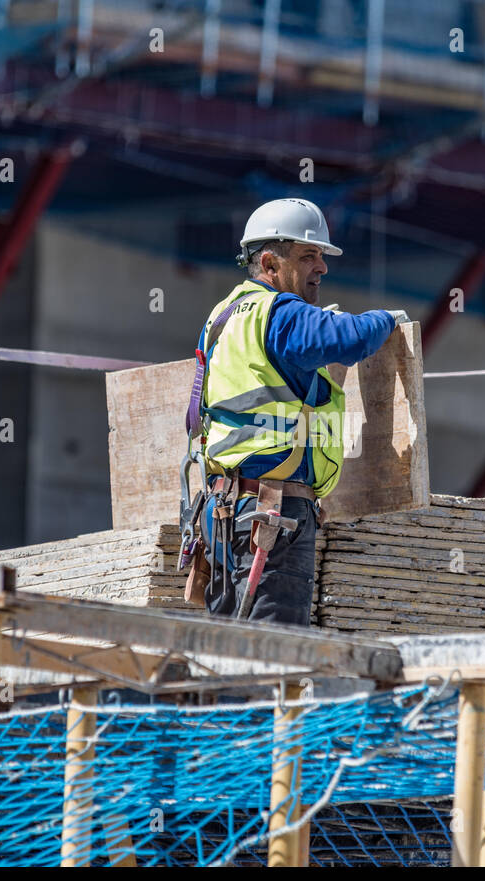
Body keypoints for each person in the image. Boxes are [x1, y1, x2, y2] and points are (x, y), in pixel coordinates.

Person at [190, 197, 406, 626]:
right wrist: (386, 318)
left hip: (224, 515)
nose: (321, 268)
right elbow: (351, 339)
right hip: (272, 516)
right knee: (273, 660)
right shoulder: (282, 315)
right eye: (309, 256)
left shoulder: (223, 317)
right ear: (270, 264)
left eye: (321, 257)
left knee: (228, 658)